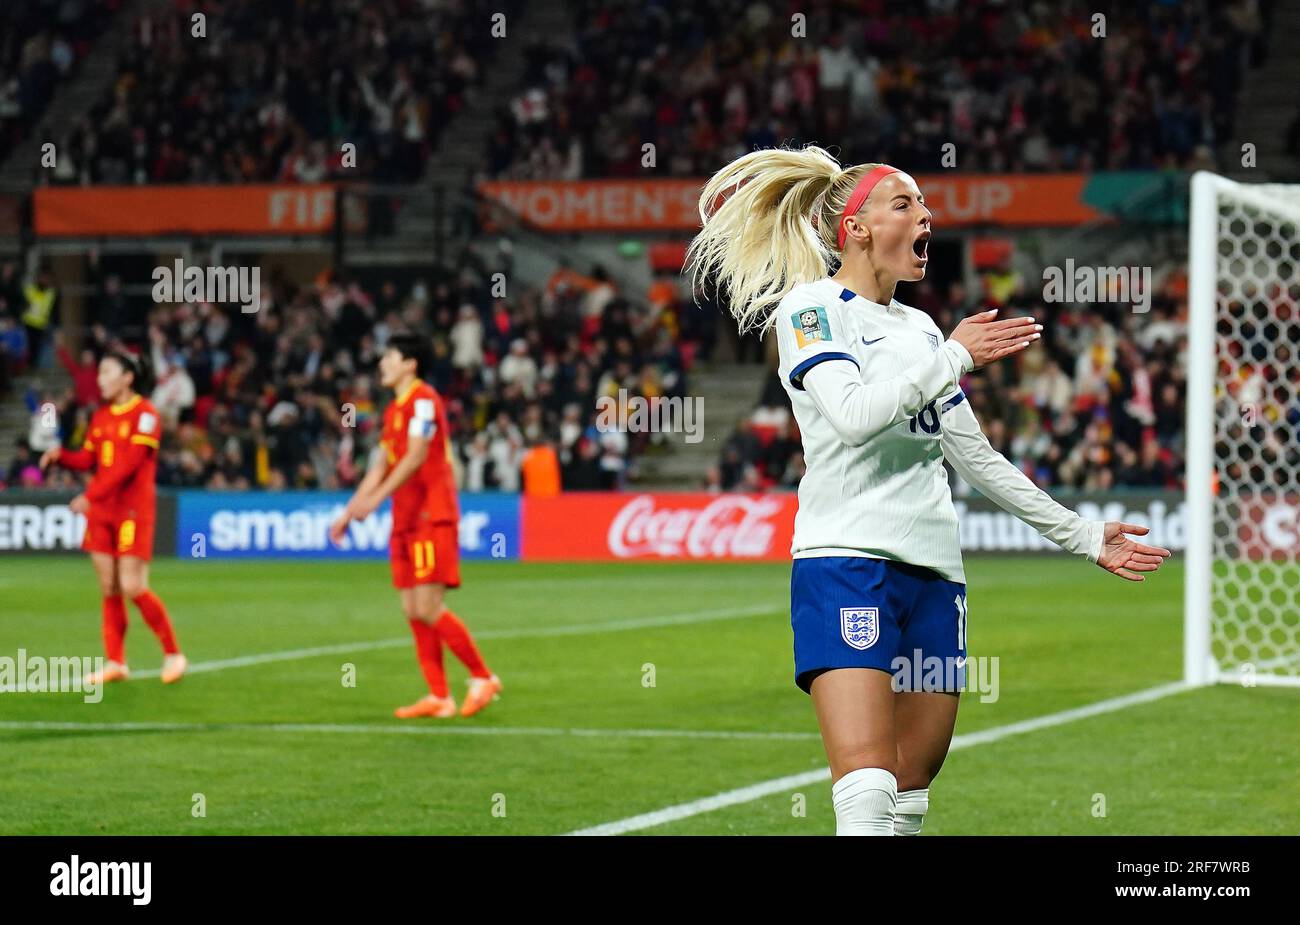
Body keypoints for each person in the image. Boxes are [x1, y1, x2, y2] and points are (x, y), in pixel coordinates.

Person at [686, 146, 1171, 836]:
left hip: (936, 578)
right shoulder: (812, 309)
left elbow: (976, 458)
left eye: (924, 204)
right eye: (906, 203)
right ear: (855, 227)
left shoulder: (919, 330)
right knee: (866, 791)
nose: (927, 215)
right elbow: (852, 415)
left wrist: (1085, 534)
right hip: (846, 563)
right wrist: (957, 355)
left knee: (909, 795)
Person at [329, 334, 500, 718]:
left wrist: (376, 499)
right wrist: (349, 511)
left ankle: (482, 676)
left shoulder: (424, 400)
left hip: (430, 515)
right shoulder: (393, 412)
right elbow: (381, 465)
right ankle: (439, 696)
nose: (382, 363)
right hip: (405, 519)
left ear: (410, 364)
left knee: (427, 605)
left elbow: (417, 455)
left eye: (389, 356)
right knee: (411, 607)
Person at [40, 350, 187, 685]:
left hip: (133, 510)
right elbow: (89, 460)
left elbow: (128, 466)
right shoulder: (101, 417)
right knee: (109, 587)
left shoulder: (146, 414)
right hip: (103, 511)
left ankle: (173, 654)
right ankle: (116, 663)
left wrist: (89, 495)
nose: (99, 379)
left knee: (133, 585)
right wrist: (61, 456)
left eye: (106, 372)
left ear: (127, 377)